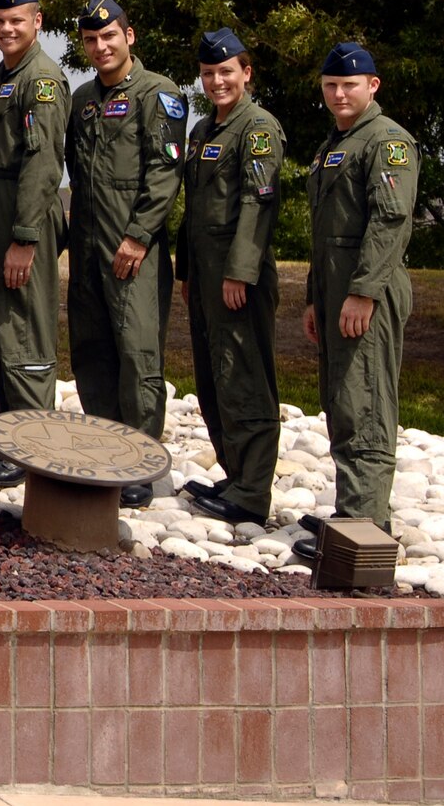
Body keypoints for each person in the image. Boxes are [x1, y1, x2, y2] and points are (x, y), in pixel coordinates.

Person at [295, 42, 418, 559]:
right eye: (331, 85)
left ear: (373, 86)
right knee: (343, 401)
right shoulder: (337, 142)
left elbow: (389, 221)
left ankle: (365, 532)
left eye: (350, 84)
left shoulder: (387, 141)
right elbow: (328, 234)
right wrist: (313, 300)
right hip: (335, 291)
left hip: (368, 291)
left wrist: (363, 293)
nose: (339, 93)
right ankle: (354, 512)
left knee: (363, 403)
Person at [66, 0, 185, 506]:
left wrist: (138, 235)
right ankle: (104, 448)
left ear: (128, 36)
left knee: (138, 354)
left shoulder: (158, 94)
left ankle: (141, 464)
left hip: (134, 246)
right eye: (91, 39)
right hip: (89, 243)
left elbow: (165, 171)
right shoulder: (82, 100)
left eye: (109, 35)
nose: (100, 46)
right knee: (92, 350)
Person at [176, 27, 285, 526]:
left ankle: (253, 493)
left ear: (246, 73)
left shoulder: (257, 129)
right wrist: (186, 271)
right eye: (207, 74)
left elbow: (257, 205)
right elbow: (193, 208)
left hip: (238, 277)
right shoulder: (202, 132)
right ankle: (234, 474)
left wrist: (240, 272)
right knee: (214, 374)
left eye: (226, 72)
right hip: (205, 275)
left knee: (244, 376)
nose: (217, 82)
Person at [0, 0, 69, 488]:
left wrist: (25, 237)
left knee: (24, 332)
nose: (7, 29)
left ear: (37, 21)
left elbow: (43, 162)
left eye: (16, 21)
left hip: (23, 221)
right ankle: (10, 431)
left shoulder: (41, 80)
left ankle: (31, 447)